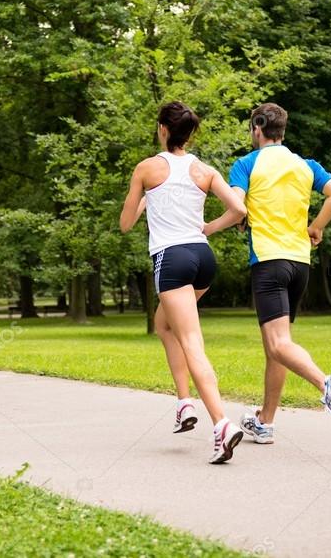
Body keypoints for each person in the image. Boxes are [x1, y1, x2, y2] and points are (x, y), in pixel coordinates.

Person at [120, 101, 248, 464]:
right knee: (164, 325)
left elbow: (126, 224)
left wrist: (143, 199)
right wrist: (209, 227)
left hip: (172, 259)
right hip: (203, 259)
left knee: (191, 341)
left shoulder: (146, 169)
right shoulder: (204, 170)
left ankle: (222, 424)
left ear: (162, 128)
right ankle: (183, 402)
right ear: (189, 134)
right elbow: (239, 210)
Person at [227, 102, 331, 444]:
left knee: (278, 343)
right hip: (299, 263)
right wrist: (316, 227)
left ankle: (327, 385)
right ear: (281, 130)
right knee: (277, 346)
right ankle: (265, 421)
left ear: (257, 127)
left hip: (269, 261)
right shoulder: (305, 165)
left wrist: (235, 219)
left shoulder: (246, 164)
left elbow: (237, 205)